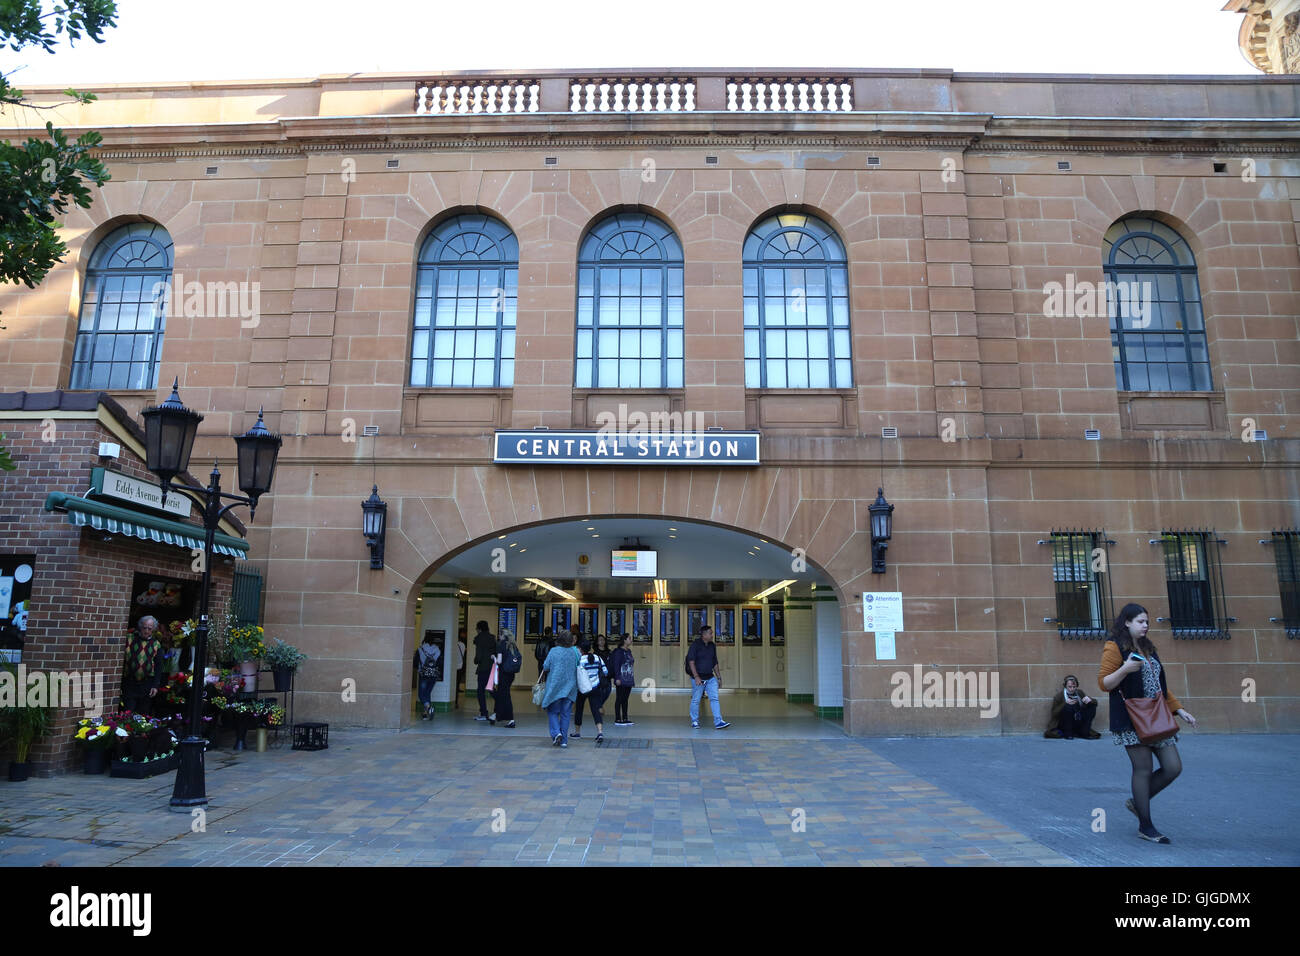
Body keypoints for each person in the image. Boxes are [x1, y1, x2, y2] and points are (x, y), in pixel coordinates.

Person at [1099, 603, 1197, 845]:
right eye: (1141, 622)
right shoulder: (1114, 647)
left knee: (1173, 767)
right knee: (1142, 770)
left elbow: (1159, 685)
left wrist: (1179, 709)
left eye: (1147, 622)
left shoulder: (1147, 647)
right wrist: (1125, 668)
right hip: (1131, 718)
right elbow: (1105, 683)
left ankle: (1137, 802)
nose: (1146, 626)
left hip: (1157, 715)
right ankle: (1146, 825)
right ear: (1127, 622)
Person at [540, 629, 580, 747]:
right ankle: (564, 741)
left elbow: (546, 666)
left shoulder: (554, 651)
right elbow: (579, 665)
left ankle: (556, 733)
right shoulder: (575, 652)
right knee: (566, 714)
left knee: (552, 711)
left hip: (555, 687)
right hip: (570, 688)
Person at [686, 624, 730, 729]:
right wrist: (696, 676)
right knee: (696, 700)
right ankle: (694, 721)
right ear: (704, 635)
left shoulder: (712, 645)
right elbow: (691, 661)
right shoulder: (695, 645)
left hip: (710, 678)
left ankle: (718, 721)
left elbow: (714, 662)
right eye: (711, 633)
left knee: (714, 698)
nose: (712, 635)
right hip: (698, 678)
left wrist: (719, 677)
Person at [120, 616, 165, 715]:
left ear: (153, 629)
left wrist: (155, 685)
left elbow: (159, 666)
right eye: (144, 627)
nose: (146, 631)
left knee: (142, 714)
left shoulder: (156, 644)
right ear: (140, 627)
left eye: (150, 628)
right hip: (130, 683)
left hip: (146, 684)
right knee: (127, 713)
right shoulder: (129, 639)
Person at [571, 638, 608, 742]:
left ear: (581, 649)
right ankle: (600, 733)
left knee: (579, 709)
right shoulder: (597, 657)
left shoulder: (580, 660)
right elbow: (605, 671)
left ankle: (577, 732)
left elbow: (575, 674)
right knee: (595, 710)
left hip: (582, 688)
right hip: (595, 687)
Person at [1044, 675, 1100, 739]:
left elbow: (1095, 703)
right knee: (1068, 707)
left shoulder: (1079, 693)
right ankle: (1068, 734)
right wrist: (1065, 703)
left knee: (1091, 706)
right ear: (1065, 686)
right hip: (1064, 723)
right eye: (1070, 687)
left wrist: (1090, 700)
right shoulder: (1059, 696)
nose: (1072, 689)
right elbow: (1054, 713)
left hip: (1078, 720)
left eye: (1074, 687)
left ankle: (1085, 732)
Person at [490, 627, 520, 728]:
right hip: (511, 674)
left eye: (499, 634)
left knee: (504, 696)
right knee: (502, 694)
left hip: (503, 674)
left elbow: (499, 661)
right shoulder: (513, 645)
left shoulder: (501, 644)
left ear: (502, 635)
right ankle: (495, 715)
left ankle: (511, 719)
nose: (499, 636)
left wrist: (493, 657)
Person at [472, 620, 496, 720]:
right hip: (492, 667)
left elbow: (478, 655)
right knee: (491, 689)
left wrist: (476, 660)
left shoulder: (479, 639)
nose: (476, 630)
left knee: (480, 691)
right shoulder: (492, 638)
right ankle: (500, 706)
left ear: (479, 629)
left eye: (476, 628)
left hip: (483, 668)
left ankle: (483, 713)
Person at [610, 634, 635, 726]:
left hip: (629, 678)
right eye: (629, 638)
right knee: (619, 698)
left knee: (625, 699)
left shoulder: (629, 651)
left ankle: (625, 718)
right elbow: (616, 665)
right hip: (621, 678)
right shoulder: (618, 652)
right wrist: (617, 678)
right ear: (624, 640)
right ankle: (617, 718)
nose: (631, 640)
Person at [416, 633, 442, 721]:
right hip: (433, 675)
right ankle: (425, 713)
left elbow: (415, 662)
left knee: (421, 694)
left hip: (423, 674)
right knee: (427, 693)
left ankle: (428, 707)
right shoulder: (437, 650)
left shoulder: (420, 649)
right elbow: (440, 663)